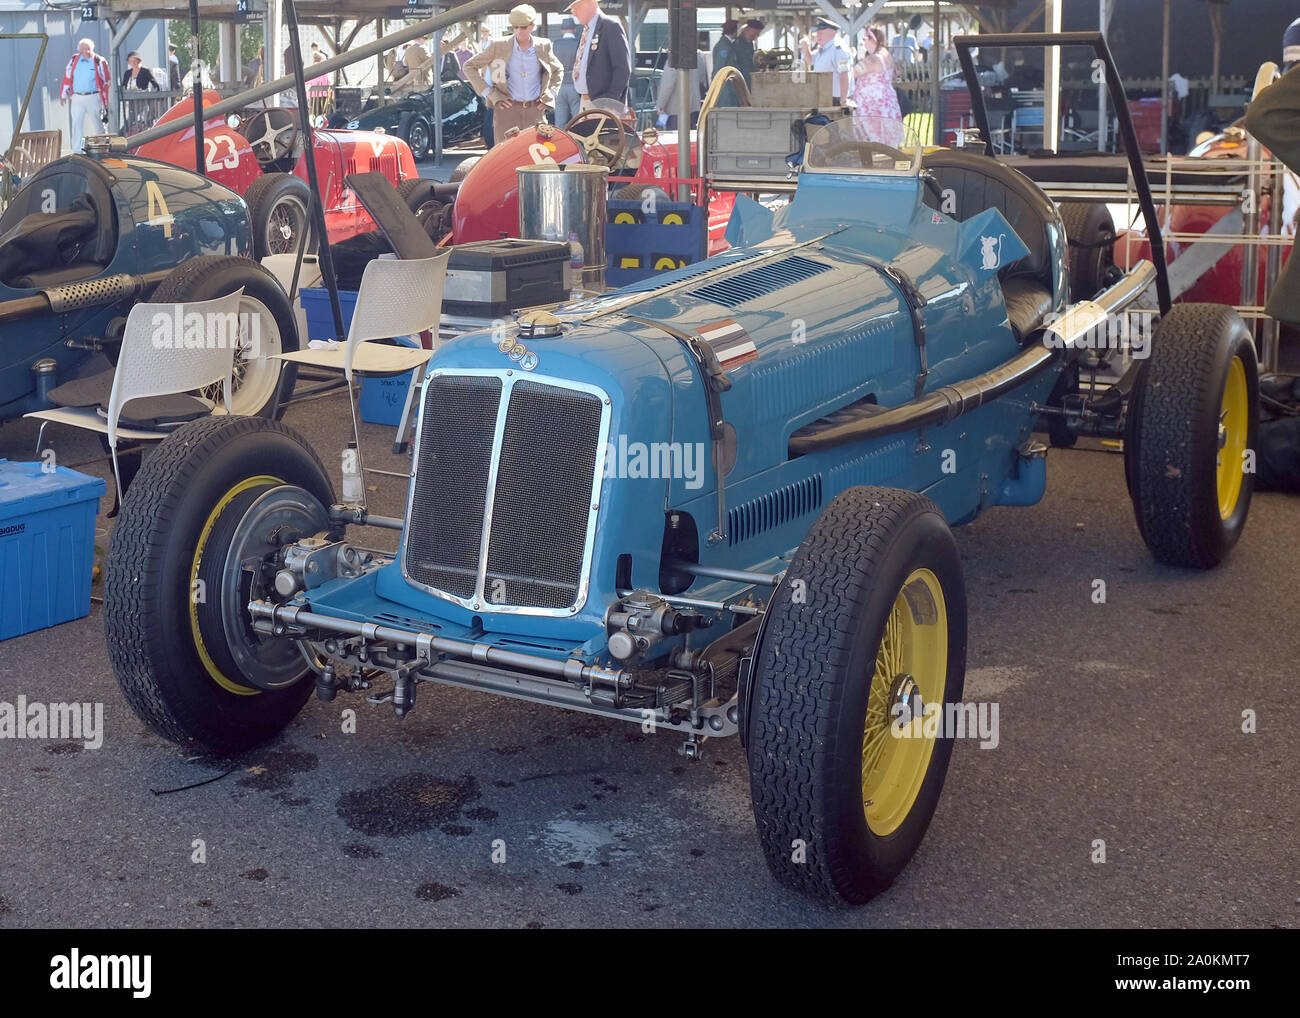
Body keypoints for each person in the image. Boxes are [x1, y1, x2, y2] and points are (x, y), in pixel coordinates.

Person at [464, 5, 564, 143]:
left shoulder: (544, 45)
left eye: (523, 27)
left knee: (537, 158)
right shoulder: (498, 45)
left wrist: (550, 95)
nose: (518, 31)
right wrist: (491, 94)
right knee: (506, 159)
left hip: (535, 111)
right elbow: (469, 66)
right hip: (506, 112)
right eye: (515, 27)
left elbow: (558, 70)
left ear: (532, 26)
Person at [567, 0, 631, 110]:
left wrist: (610, 101)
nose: (573, 13)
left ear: (589, 4)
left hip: (605, 105)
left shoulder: (611, 26)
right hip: (585, 102)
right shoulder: (586, 29)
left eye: (575, 8)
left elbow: (622, 69)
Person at [60, 38, 110, 154]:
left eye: (88, 48)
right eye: (83, 49)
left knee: (98, 122)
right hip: (77, 96)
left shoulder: (99, 60)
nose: (86, 51)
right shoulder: (74, 59)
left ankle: (102, 147)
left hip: (93, 96)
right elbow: (67, 76)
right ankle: (77, 149)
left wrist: (105, 99)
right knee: (77, 123)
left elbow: (107, 80)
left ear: (92, 48)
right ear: (80, 50)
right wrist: (64, 94)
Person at [852, 27, 900, 122]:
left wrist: (851, 57)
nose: (863, 42)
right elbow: (894, 74)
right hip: (888, 99)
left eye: (864, 39)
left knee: (871, 134)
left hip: (872, 102)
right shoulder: (887, 54)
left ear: (872, 40)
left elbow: (853, 73)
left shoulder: (872, 59)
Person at [801, 18, 851, 106]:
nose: (818, 35)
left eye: (821, 33)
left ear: (833, 32)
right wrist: (805, 49)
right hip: (824, 96)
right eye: (817, 33)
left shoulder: (838, 49)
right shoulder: (823, 48)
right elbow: (810, 61)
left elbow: (844, 74)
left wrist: (843, 101)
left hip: (835, 99)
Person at [656, 48, 706, 130]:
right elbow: (702, 80)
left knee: (674, 139)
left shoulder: (673, 60)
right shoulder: (697, 57)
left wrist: (661, 105)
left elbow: (667, 85)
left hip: (675, 110)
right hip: (695, 108)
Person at [552, 17, 582, 128]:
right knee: (578, 121)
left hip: (559, 86)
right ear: (574, 30)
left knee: (560, 122)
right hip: (575, 85)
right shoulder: (579, 44)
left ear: (562, 30)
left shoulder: (554, 44)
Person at [713, 19, 741, 106]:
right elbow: (719, 68)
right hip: (725, 88)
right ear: (734, 31)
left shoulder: (729, 45)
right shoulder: (724, 47)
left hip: (729, 86)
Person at [734, 18, 763, 87]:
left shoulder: (749, 44)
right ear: (748, 29)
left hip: (749, 79)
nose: (756, 36)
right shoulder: (738, 44)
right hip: (741, 79)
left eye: (757, 34)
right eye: (755, 34)